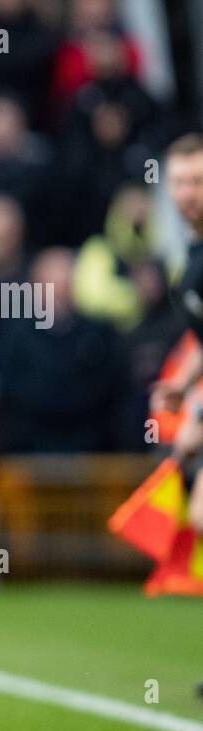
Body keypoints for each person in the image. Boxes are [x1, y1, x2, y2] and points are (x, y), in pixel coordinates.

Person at [151, 134, 203, 533]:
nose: (187, 193)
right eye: (179, 182)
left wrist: (199, 417)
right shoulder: (190, 256)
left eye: (198, 181)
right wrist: (182, 384)